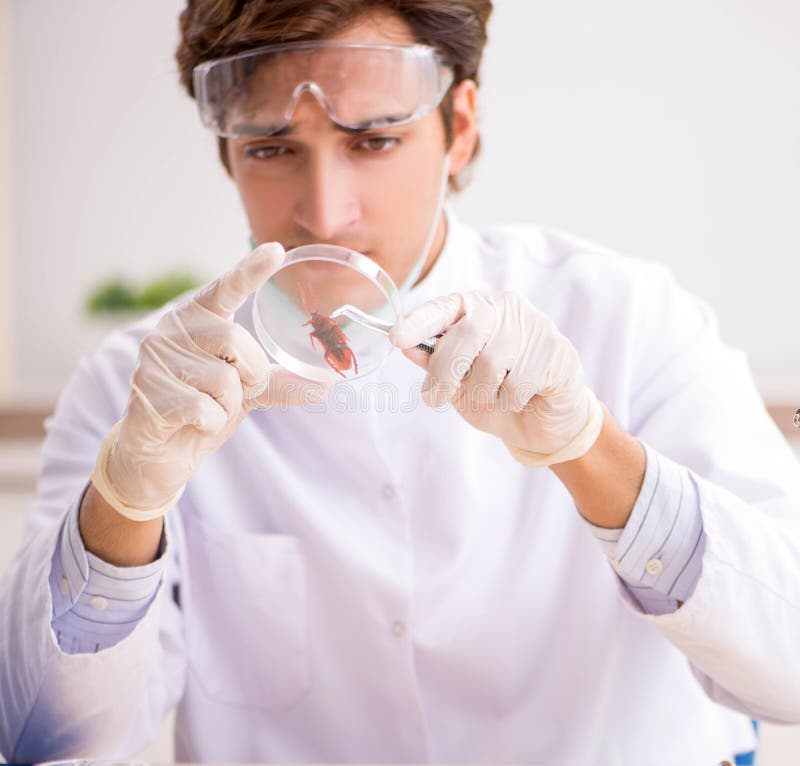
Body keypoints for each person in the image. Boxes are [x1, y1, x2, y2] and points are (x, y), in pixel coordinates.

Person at [1, 1, 799, 764]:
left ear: (460, 128)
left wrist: (592, 450)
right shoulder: (140, 386)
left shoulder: (628, 319)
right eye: (272, 146)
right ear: (227, 151)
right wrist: (126, 503)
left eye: (374, 140)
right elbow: (40, 734)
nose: (324, 211)